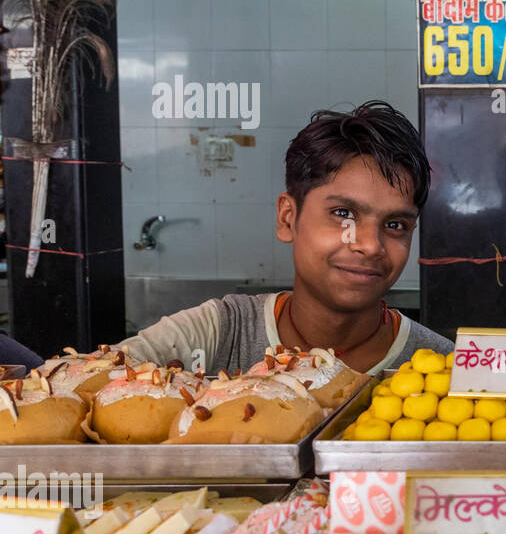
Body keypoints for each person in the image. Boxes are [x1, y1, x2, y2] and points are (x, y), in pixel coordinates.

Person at [120, 101, 451, 375]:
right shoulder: (220, 333)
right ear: (287, 218)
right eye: (343, 214)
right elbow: (86, 381)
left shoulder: (439, 367)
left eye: (395, 225)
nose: (369, 244)